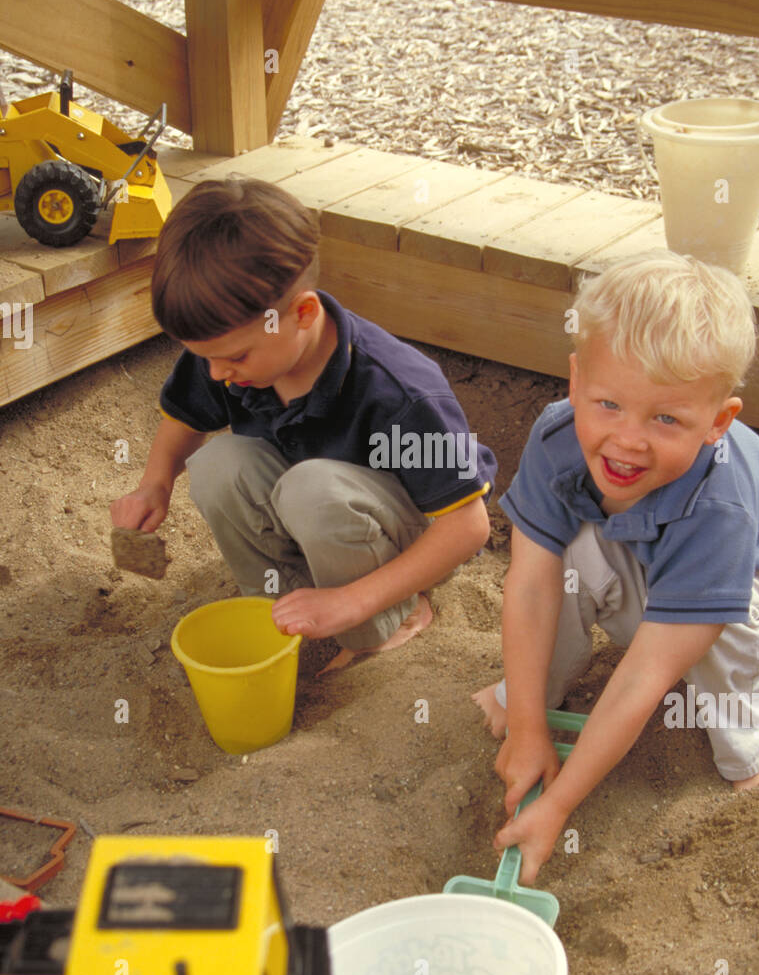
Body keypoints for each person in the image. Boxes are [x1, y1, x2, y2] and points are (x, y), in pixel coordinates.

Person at [473, 252, 759, 883]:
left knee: (721, 626)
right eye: (609, 403)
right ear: (574, 381)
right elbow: (531, 586)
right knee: (564, 557)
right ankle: (537, 691)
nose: (628, 439)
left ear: (719, 421)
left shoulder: (719, 505)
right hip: (649, 567)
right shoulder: (556, 437)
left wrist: (559, 804)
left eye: (666, 418)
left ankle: (749, 746)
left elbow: (647, 672)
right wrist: (531, 726)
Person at [111, 177, 496, 673]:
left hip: (411, 535)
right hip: (314, 509)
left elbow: (467, 527)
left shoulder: (399, 393)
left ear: (302, 313)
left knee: (311, 489)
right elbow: (185, 417)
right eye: (200, 357)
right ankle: (284, 604)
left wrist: (354, 601)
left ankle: (389, 619)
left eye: (231, 357)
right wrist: (154, 485)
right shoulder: (229, 355)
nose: (215, 373)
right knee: (217, 464)